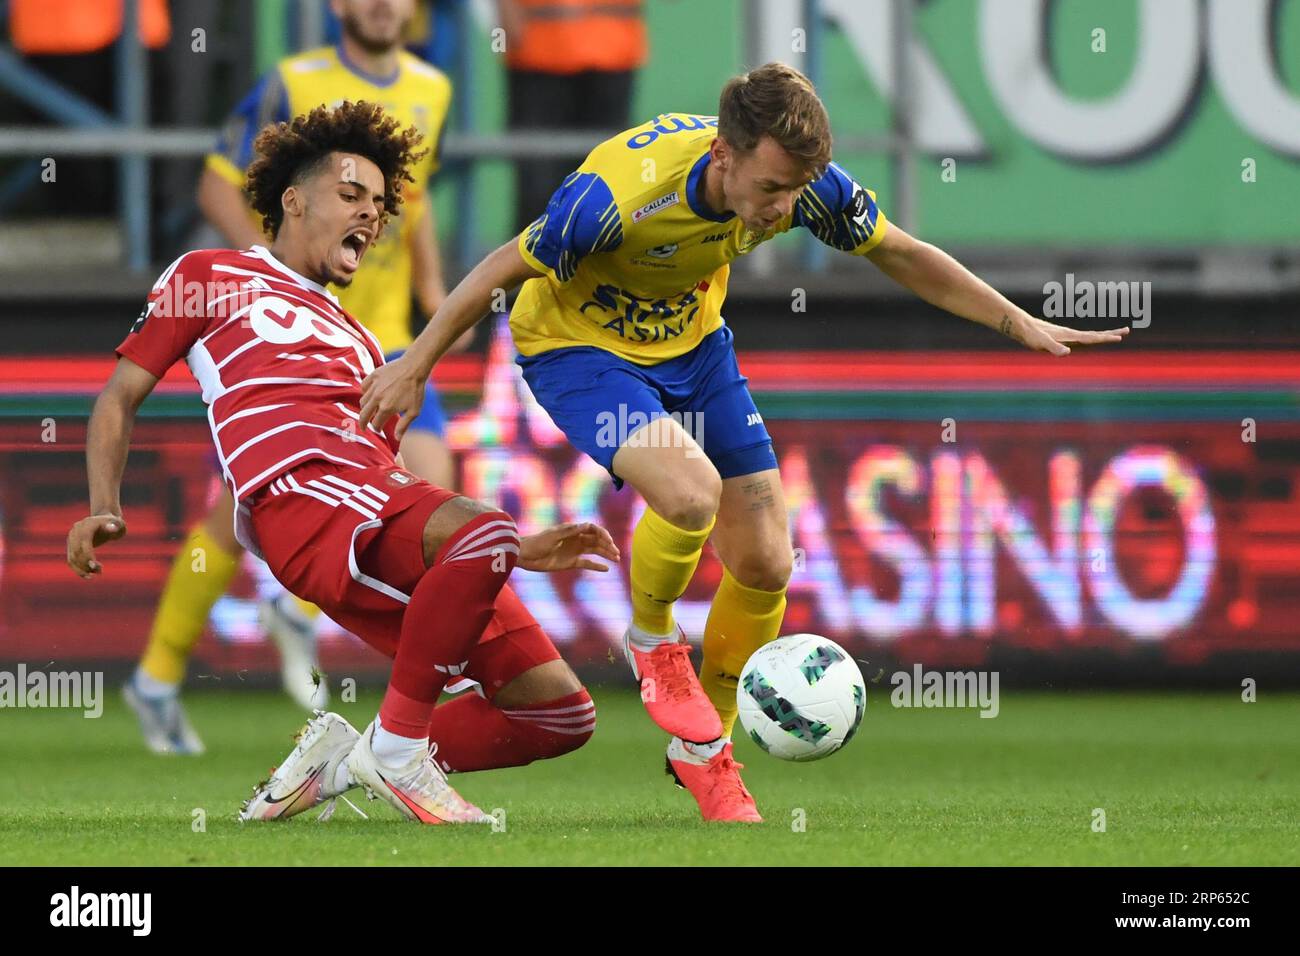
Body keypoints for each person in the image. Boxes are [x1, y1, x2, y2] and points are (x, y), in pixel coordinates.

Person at [357, 62, 1131, 822]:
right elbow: (501, 265)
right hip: (578, 351)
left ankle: (706, 748)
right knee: (690, 493)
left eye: (794, 192)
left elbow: (899, 252)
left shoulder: (803, 188)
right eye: (770, 190)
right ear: (723, 157)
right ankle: (654, 637)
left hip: (695, 348)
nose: (782, 209)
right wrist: (416, 364)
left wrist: (1015, 320)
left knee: (766, 558)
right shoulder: (615, 198)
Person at [67, 100, 616, 824]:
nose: (371, 216)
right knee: (477, 529)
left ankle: (351, 756)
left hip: (359, 501)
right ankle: (396, 755)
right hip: (295, 495)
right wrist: (104, 503)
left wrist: (512, 549)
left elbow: (388, 496)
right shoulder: (210, 275)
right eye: (351, 195)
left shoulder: (362, 343)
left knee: (557, 715)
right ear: (293, 201)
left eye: (382, 206)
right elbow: (119, 396)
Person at [125, 0, 470, 755]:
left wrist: (437, 294)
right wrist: (278, 280)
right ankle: (157, 675)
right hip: (290, 347)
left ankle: (401, 720)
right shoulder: (291, 82)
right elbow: (217, 184)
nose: (382, 5)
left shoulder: (432, 90)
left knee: (435, 497)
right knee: (238, 516)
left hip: (387, 347)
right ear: (338, 6)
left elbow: (414, 207)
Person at [497, 0, 646, 233]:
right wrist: (502, 24)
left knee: (607, 185)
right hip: (538, 54)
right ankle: (531, 266)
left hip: (612, 52)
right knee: (538, 188)